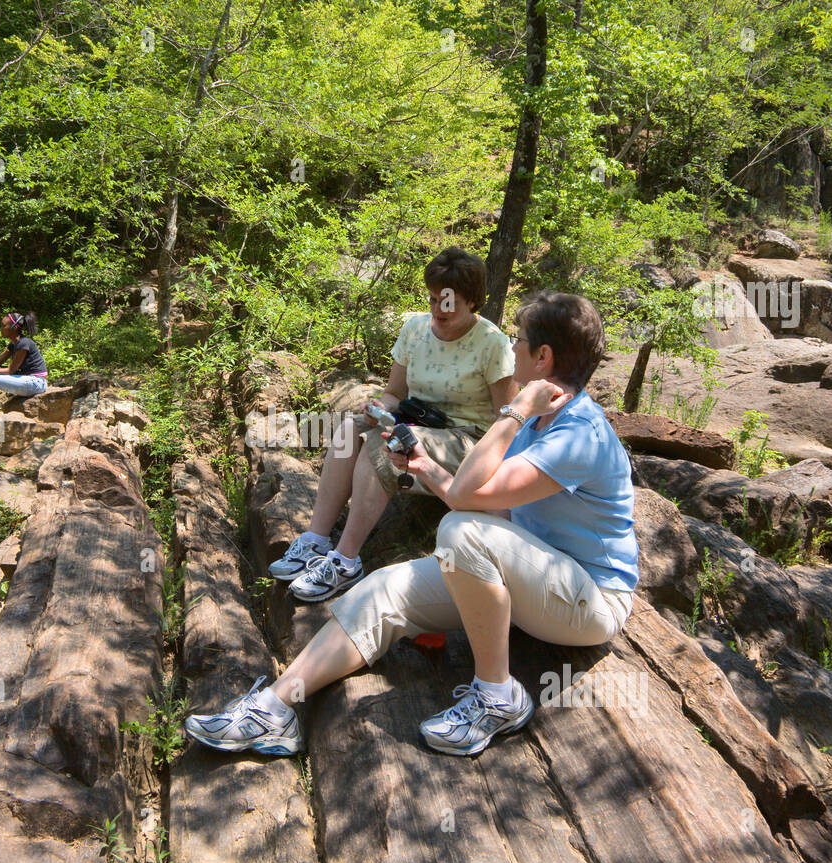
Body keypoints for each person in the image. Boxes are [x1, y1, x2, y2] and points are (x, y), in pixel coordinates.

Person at [185, 291, 639, 757]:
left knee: (460, 533)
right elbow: (493, 506)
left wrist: (515, 409)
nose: (511, 344)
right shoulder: (538, 420)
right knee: (386, 588)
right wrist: (425, 468)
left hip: (589, 602)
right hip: (530, 581)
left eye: (518, 339)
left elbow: (467, 504)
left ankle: (498, 696)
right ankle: (273, 709)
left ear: (543, 357)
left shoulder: (577, 432)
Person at [270, 246, 518, 602]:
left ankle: (346, 561)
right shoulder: (416, 330)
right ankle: (316, 540)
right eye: (433, 299)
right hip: (414, 421)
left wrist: (494, 486)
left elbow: (507, 419)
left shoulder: (493, 344)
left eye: (448, 302)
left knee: (387, 446)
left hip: (467, 441)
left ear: (473, 301)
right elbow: (393, 394)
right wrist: (377, 408)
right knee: (350, 429)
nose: (438, 310)